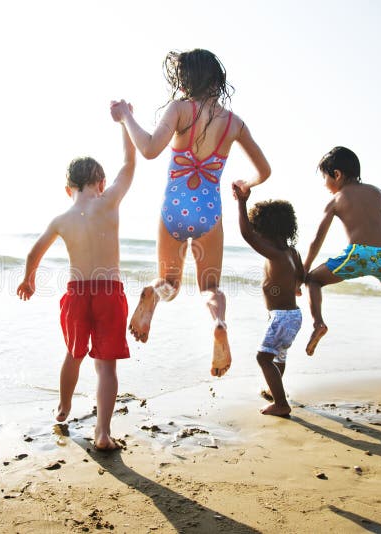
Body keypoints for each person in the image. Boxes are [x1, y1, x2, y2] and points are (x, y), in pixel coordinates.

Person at [110, 49, 271, 377]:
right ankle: (219, 321)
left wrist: (126, 116)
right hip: (209, 212)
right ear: (216, 78)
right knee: (210, 287)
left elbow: (150, 149)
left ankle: (154, 293)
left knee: (169, 282)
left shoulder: (180, 109)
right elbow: (264, 170)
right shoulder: (234, 123)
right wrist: (246, 184)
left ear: (187, 80)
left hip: (174, 208)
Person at [17, 112, 136, 451]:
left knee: (73, 354)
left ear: (68, 188)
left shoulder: (61, 219)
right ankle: (102, 433)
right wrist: (125, 124)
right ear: (101, 183)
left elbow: (33, 253)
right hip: (109, 292)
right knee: (106, 366)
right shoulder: (109, 202)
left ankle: (63, 407)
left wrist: (29, 280)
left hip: (77, 293)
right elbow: (129, 164)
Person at [303, 146, 381, 356]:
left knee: (313, 281)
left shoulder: (335, 201)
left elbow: (317, 239)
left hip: (359, 255)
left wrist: (305, 268)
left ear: (337, 174)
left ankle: (318, 323)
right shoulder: (377, 192)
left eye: (325, 177)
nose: (324, 184)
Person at [234, 184, 304, 416]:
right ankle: (275, 391)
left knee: (263, 357)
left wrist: (241, 203)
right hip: (293, 315)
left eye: (258, 231)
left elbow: (246, 235)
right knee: (278, 355)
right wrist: (294, 285)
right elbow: (301, 277)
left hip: (282, 317)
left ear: (266, 232)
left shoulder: (274, 253)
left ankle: (281, 404)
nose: (257, 236)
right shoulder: (292, 253)